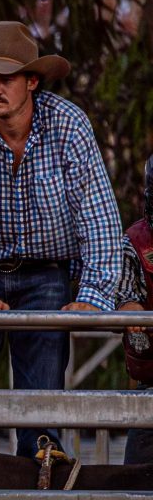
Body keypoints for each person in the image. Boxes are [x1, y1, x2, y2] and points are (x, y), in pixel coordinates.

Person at [0, 21, 122, 457]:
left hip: (46, 274)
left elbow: (98, 218)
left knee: (41, 421)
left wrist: (92, 297)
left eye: (5, 78)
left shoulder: (68, 125)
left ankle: (39, 493)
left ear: (32, 81)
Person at [116, 155, 153, 465]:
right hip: (151, 379)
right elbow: (122, 291)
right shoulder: (135, 241)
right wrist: (129, 305)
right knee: (136, 474)